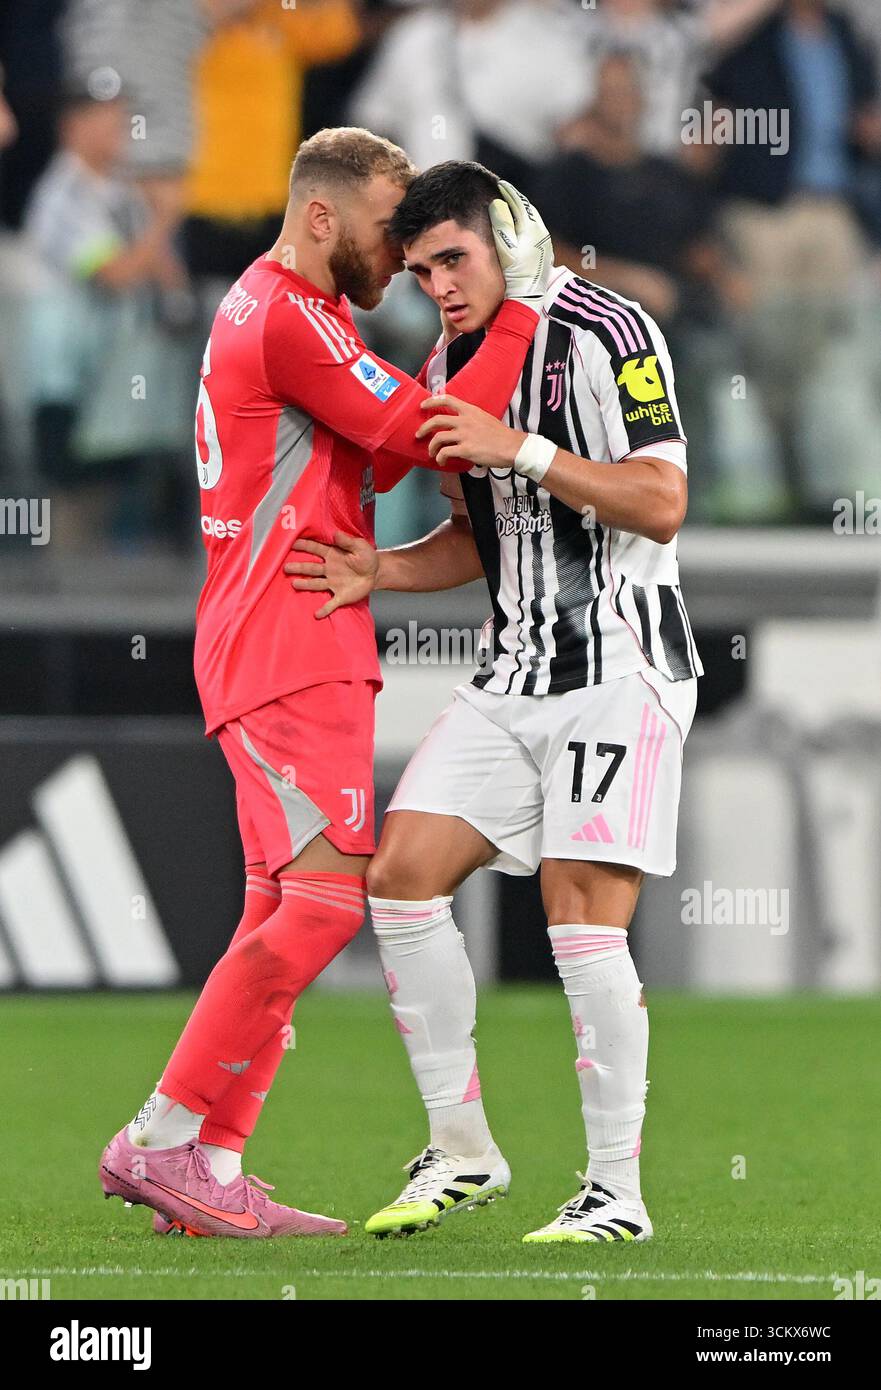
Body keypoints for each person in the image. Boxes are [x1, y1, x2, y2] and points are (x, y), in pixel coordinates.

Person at [99, 128, 552, 1239]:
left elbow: (388, 452)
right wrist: (523, 310)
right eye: (386, 227)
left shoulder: (299, 316)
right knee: (317, 905)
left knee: (280, 910)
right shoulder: (290, 318)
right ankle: (158, 1136)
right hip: (286, 636)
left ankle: (207, 1161)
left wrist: (442, 390)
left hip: (297, 631)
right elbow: (430, 436)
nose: (400, 253)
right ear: (319, 215)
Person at [287, 160, 702, 1243]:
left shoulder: (611, 328)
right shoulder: (450, 360)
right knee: (400, 876)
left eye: (452, 261)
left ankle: (617, 1190)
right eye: (420, 271)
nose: (438, 288)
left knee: (577, 914)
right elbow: (479, 537)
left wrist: (517, 445)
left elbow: (660, 503)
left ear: (509, 232)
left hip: (618, 668)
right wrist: (378, 569)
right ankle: (462, 1147)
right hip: (511, 675)